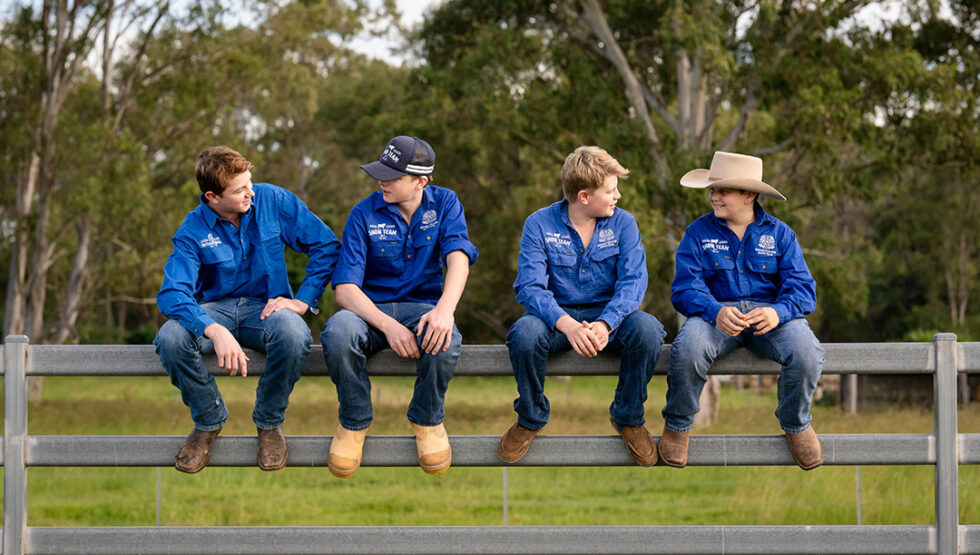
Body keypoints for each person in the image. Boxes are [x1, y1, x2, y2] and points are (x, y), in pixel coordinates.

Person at [154, 146, 340, 473]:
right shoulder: (192, 229)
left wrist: (301, 300)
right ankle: (208, 420)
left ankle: (269, 423)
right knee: (169, 338)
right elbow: (172, 292)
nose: (250, 193)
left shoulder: (271, 200)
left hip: (266, 310)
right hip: (213, 312)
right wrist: (212, 329)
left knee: (294, 332)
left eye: (249, 183)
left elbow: (326, 245)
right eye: (240, 190)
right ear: (212, 196)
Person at [497, 145, 666, 466]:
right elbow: (530, 288)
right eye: (611, 191)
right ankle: (531, 416)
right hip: (556, 322)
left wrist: (605, 323)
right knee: (524, 333)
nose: (618, 197)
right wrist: (568, 325)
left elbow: (633, 282)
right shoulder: (539, 224)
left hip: (610, 322)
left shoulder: (624, 224)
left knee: (649, 330)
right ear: (584, 196)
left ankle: (628, 416)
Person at [321, 136, 478, 478]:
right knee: (337, 331)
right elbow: (345, 290)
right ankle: (353, 423)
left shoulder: (446, 204)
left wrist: (444, 310)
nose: (382, 181)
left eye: (392, 176)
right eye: (381, 173)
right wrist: (389, 327)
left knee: (446, 336)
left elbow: (458, 258)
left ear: (420, 182)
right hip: (369, 312)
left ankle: (427, 420)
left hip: (423, 307)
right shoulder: (363, 212)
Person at [661, 151, 825, 470]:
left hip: (771, 319)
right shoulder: (698, 233)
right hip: (715, 318)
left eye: (722, 191)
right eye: (712, 190)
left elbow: (803, 288)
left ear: (748, 194)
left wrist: (778, 312)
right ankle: (678, 426)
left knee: (807, 351)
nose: (713, 197)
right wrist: (714, 310)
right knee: (688, 348)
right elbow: (684, 288)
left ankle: (797, 425)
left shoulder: (780, 234)